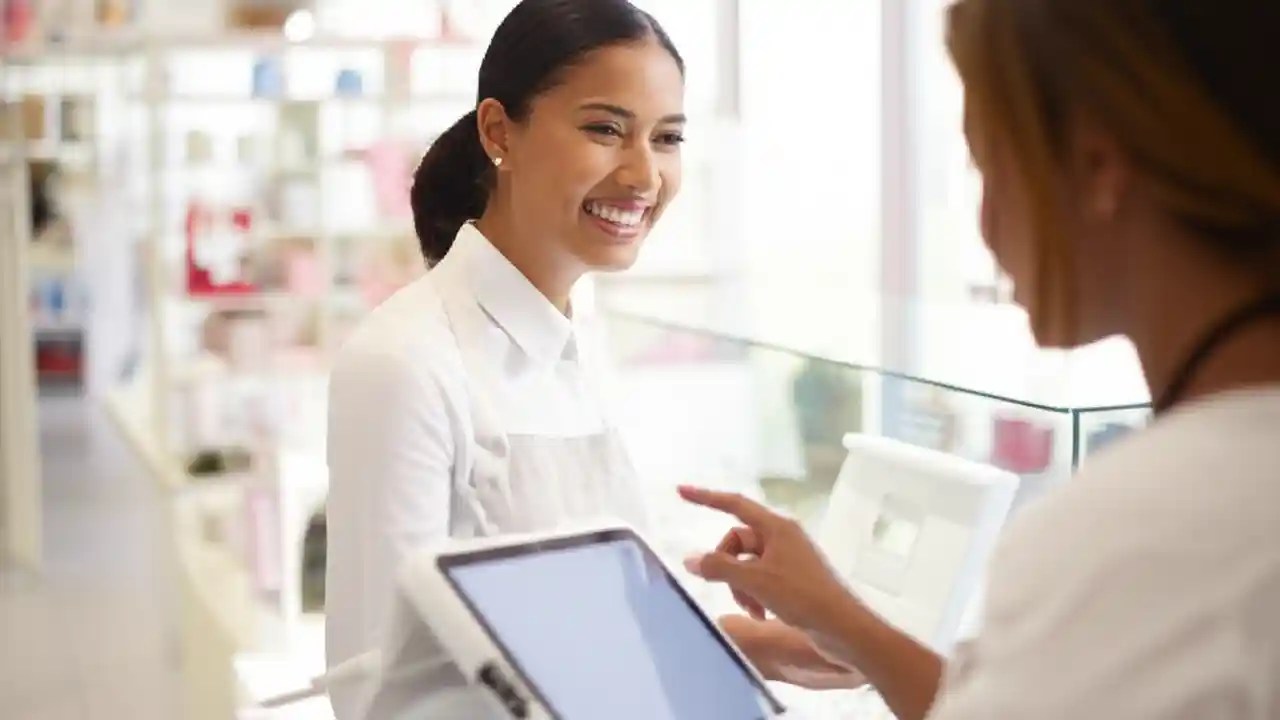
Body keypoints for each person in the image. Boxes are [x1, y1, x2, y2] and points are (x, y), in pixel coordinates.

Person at [682, 0, 1280, 718]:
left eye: (991, 166)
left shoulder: (1133, 539)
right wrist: (846, 627)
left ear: (1097, 166)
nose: (988, 226)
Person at [324, 1, 686, 717]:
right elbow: (375, 690)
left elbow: (600, 613)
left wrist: (738, 646)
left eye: (667, 138)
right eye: (605, 129)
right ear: (499, 132)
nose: (644, 175)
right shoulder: (404, 363)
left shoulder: (584, 338)